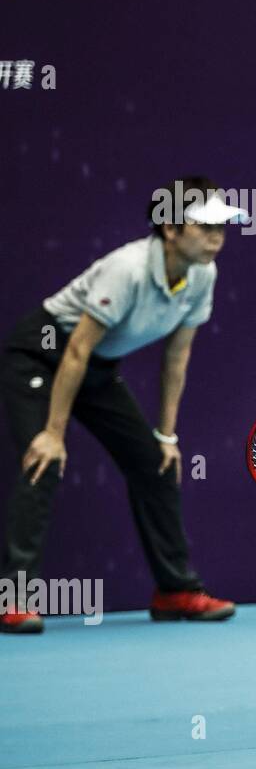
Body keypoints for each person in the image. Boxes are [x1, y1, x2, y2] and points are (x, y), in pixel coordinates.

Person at [0, 177, 239, 634]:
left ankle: (175, 590)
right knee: (42, 461)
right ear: (169, 229)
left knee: (155, 464)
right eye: (205, 226)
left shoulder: (203, 274)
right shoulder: (126, 269)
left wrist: (166, 435)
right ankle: (12, 598)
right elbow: (74, 350)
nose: (217, 237)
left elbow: (177, 355)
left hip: (96, 368)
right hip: (45, 355)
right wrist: (53, 432)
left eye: (222, 227)